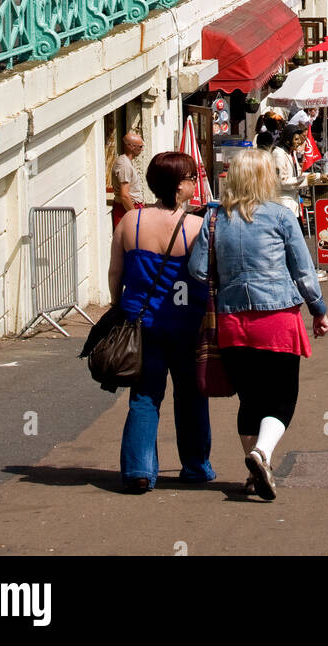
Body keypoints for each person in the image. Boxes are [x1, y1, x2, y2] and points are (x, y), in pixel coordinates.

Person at [188, 150, 328, 500]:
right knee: (282, 397)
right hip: (276, 317)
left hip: (232, 320)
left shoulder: (215, 219)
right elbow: (303, 271)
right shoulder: (282, 216)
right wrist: (319, 309)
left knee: (250, 400)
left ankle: (253, 474)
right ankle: (262, 455)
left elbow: (197, 270)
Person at [109, 152, 212, 492]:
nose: (195, 182)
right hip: (188, 324)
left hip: (143, 324)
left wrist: (117, 306)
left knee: (144, 396)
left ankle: (139, 470)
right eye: (191, 177)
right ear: (179, 185)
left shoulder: (130, 223)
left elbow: (115, 274)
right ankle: (196, 466)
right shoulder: (199, 227)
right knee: (192, 395)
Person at [270, 124, 307, 215]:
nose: (299, 142)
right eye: (296, 139)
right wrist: (307, 180)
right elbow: (282, 182)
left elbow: (298, 173)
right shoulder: (278, 154)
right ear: (287, 140)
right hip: (283, 204)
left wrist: (318, 177)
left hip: (293, 203)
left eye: (299, 139)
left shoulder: (291, 153)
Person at [111, 131, 144, 231]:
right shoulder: (124, 165)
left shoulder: (125, 162)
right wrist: (135, 217)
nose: (142, 149)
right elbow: (124, 195)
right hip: (126, 210)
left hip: (129, 209)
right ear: (131, 147)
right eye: (140, 146)